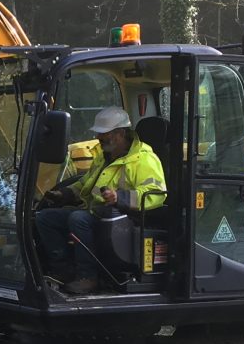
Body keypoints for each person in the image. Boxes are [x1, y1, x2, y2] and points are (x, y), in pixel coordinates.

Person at [35, 106, 167, 294]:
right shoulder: (103, 157)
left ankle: (88, 277)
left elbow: (155, 195)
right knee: (45, 218)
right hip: (95, 212)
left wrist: (119, 197)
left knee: (78, 219)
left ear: (120, 133)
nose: (98, 138)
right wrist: (65, 194)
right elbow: (85, 183)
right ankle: (62, 270)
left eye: (103, 134)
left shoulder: (143, 159)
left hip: (123, 218)